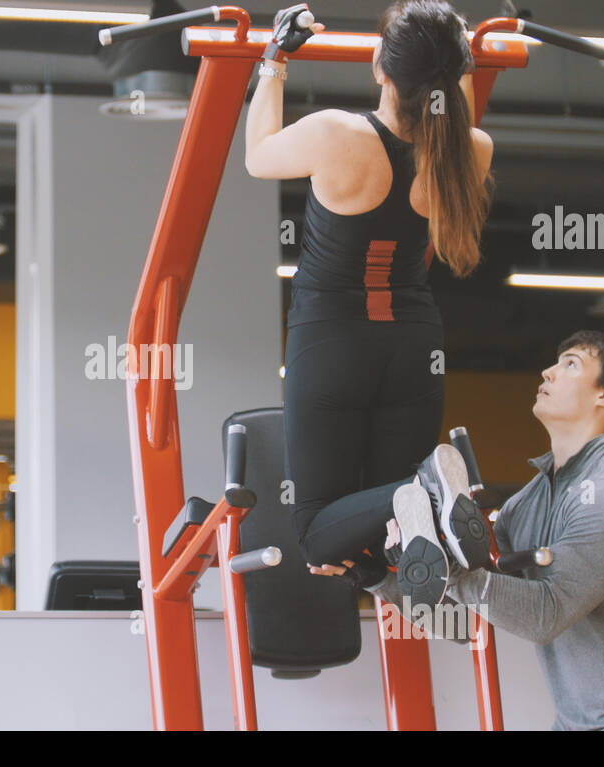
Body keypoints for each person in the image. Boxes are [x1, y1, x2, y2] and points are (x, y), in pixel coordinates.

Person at [311, 330, 604, 731]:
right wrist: (381, 580)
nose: (548, 371)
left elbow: (545, 615)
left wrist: (456, 570)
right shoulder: (528, 503)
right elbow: (465, 625)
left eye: (570, 363)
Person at [244, 1, 495, 591]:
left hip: (333, 344)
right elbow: (447, 94)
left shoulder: (337, 134)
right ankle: (429, 492)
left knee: (312, 530)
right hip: (412, 347)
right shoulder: (471, 150)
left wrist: (274, 57)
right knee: (387, 538)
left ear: (381, 67)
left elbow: (258, 156)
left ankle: (431, 489)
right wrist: (457, 49)